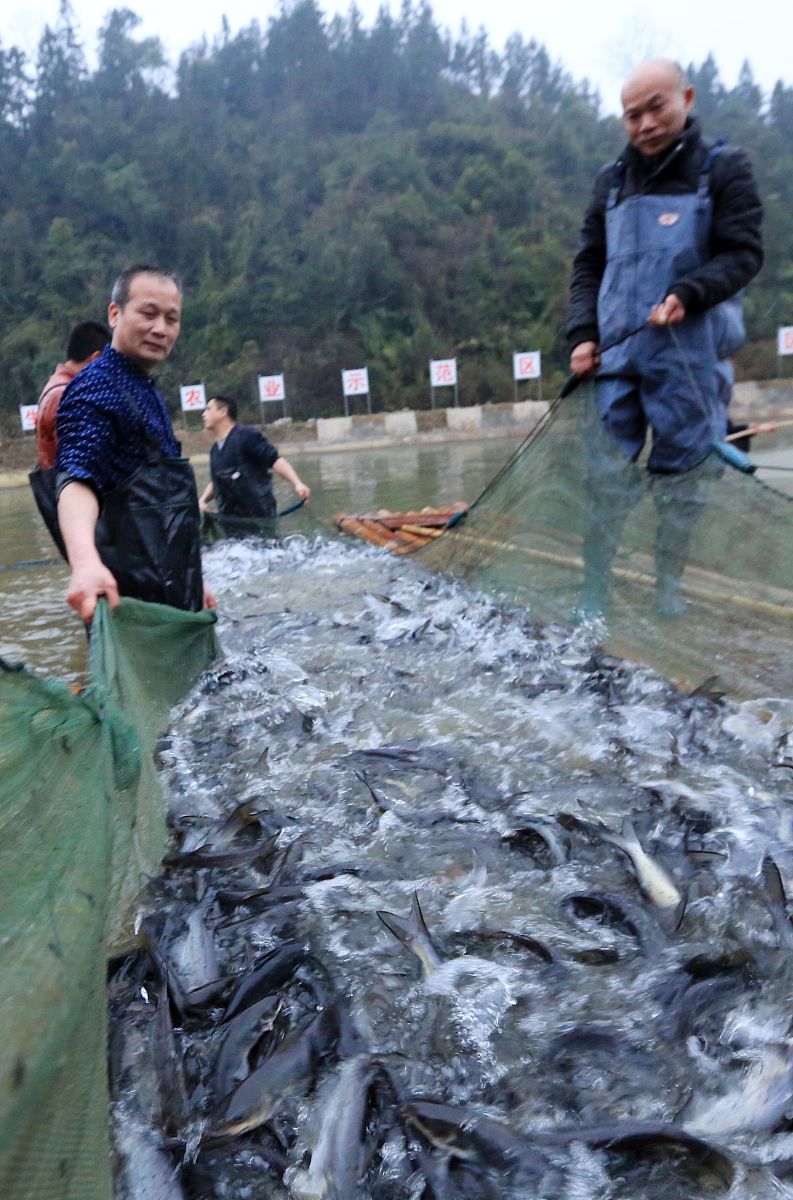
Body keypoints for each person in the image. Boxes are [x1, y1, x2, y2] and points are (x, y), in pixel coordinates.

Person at [567, 58, 763, 618]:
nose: (646, 123)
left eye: (657, 107)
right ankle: (594, 590)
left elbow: (743, 253)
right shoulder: (610, 183)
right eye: (633, 115)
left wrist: (691, 291)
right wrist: (582, 333)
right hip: (614, 354)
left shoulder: (722, 168)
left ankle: (667, 587)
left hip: (690, 358)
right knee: (604, 477)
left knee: (684, 480)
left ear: (687, 98)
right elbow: (588, 265)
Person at [55, 265, 216, 620]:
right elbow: (77, 478)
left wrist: (193, 578)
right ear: (115, 313)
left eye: (171, 319)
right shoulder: (96, 388)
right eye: (148, 313)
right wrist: (84, 563)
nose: (160, 328)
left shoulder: (145, 389)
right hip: (133, 610)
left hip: (175, 596)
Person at [198, 395, 310, 521]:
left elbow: (274, 460)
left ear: (223, 411)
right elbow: (217, 481)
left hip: (259, 516)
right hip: (231, 521)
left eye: (208, 409)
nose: (203, 414)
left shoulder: (246, 436)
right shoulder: (215, 451)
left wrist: (297, 483)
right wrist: (202, 500)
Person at [36, 321, 111, 469]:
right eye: (109, 362)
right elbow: (79, 463)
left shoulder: (58, 387)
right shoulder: (67, 395)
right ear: (96, 359)